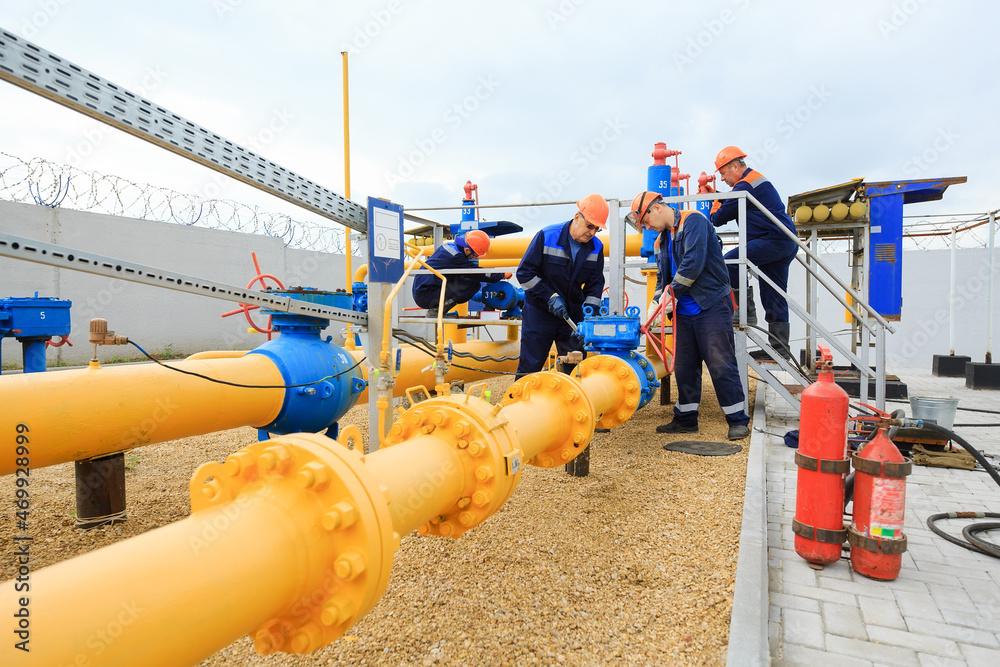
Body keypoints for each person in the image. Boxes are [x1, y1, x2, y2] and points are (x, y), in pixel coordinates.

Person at [628, 191, 750, 441]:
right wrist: (656, 303)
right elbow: (663, 278)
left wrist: (669, 296)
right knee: (684, 365)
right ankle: (686, 419)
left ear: (656, 209)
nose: (647, 227)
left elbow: (692, 265)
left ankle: (737, 419)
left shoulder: (694, 221)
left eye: (646, 221)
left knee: (720, 363)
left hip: (711, 305)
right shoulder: (661, 241)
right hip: (684, 310)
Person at [710, 146, 798, 359]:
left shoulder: (745, 185)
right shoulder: (751, 181)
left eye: (723, 173)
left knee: (729, 262)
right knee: (773, 292)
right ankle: (780, 349)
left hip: (773, 239)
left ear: (734, 166)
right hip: (783, 239)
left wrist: (712, 203)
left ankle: (745, 313)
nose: (722, 178)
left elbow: (718, 218)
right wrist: (720, 198)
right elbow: (730, 202)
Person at [514, 194, 607, 377]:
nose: (592, 232)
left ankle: (572, 404)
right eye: (590, 226)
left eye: (597, 229)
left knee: (576, 367)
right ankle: (518, 403)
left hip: (572, 317)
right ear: (577, 217)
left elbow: (595, 285)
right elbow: (525, 273)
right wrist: (550, 296)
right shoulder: (547, 236)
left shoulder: (596, 247)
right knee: (530, 367)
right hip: (540, 314)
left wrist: (588, 317)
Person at [411, 230, 509, 317]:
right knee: (472, 284)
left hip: (425, 290)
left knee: (464, 279)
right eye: (475, 255)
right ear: (467, 249)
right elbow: (477, 273)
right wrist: (501, 275)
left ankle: (439, 310)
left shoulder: (450, 247)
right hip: (426, 295)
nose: (474, 258)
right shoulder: (455, 257)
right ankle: (436, 312)